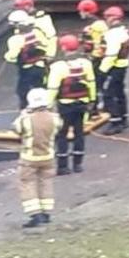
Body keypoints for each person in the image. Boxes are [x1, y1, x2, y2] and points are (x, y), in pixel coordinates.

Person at [47, 34, 96, 176]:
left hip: (65, 105)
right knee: (79, 133)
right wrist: (92, 100)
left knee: (61, 135)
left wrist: (47, 105)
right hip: (82, 104)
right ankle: (78, 164)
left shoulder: (58, 67)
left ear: (63, 47)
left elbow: (53, 88)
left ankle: (63, 166)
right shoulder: (86, 63)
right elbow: (91, 82)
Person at [13, 88, 61, 228]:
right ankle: (46, 213)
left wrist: (24, 113)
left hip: (29, 157)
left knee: (27, 183)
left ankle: (35, 214)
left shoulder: (26, 119)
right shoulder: (55, 118)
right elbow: (58, 128)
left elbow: (17, 128)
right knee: (46, 183)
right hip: (48, 156)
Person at [3, 10, 49, 110]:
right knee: (41, 88)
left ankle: (24, 110)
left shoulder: (15, 39)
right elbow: (45, 46)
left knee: (22, 92)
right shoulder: (37, 33)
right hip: (40, 67)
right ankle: (45, 108)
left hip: (26, 70)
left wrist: (6, 56)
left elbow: (12, 56)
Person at [99, 6, 129, 135]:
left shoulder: (112, 34)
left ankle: (116, 121)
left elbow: (111, 55)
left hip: (113, 67)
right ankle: (123, 118)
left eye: (107, 17)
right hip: (122, 66)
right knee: (119, 92)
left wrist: (102, 71)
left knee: (108, 94)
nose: (106, 20)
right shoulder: (123, 32)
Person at [77, 0, 107, 110]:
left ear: (86, 12)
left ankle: (94, 106)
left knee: (92, 82)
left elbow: (87, 45)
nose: (80, 13)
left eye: (81, 11)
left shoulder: (90, 28)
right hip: (103, 56)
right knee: (102, 82)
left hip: (95, 58)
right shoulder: (102, 24)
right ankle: (104, 102)